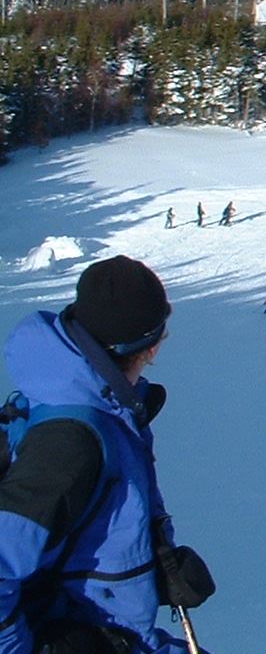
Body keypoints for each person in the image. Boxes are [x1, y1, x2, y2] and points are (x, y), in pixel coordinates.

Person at [0, 255, 215, 650]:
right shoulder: (72, 442)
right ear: (146, 348)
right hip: (84, 632)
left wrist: (155, 562)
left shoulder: (92, 397)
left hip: (114, 630)